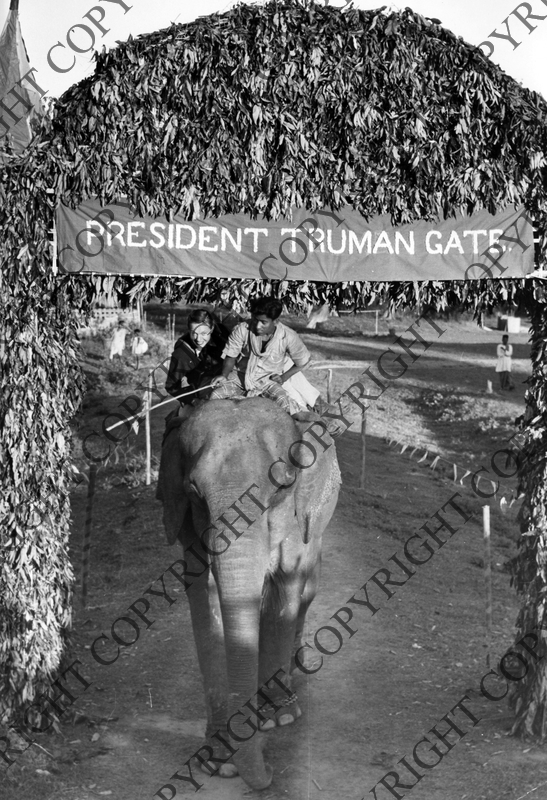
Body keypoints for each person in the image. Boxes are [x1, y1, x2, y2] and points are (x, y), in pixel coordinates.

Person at [210, 297, 316, 414]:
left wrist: (283, 377)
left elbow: (302, 362)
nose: (257, 326)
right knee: (215, 396)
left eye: (263, 322)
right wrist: (224, 375)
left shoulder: (288, 336)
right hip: (239, 377)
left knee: (283, 404)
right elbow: (231, 355)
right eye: (255, 320)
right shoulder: (242, 329)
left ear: (275, 321)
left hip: (267, 381)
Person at [165, 310, 224, 410]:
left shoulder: (220, 336)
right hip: (201, 391)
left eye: (203, 333)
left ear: (212, 328)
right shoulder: (182, 354)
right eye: (194, 333)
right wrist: (193, 400)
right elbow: (171, 386)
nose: (198, 339)